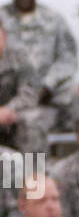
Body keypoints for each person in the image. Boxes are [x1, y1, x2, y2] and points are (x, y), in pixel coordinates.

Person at [0, 0, 79, 132]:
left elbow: (68, 57)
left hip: (48, 87)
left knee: (75, 95)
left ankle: (71, 145)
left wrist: (48, 84)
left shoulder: (53, 18)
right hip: (11, 88)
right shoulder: (2, 17)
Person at [0, 18, 42, 156]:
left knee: (32, 119)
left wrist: (8, 110)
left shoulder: (19, 57)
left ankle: (35, 174)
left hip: (11, 116)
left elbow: (29, 94)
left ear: (4, 36)